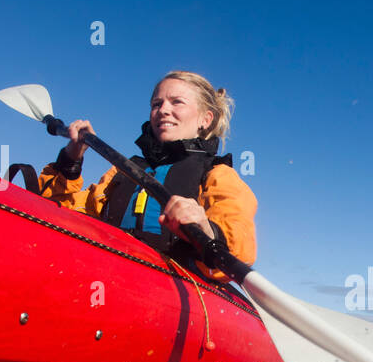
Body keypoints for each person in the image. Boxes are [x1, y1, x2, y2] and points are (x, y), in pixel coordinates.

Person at [38, 71, 255, 281]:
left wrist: (206, 229)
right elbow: (57, 213)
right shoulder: (124, 170)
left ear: (205, 119)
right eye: (156, 104)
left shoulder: (217, 174)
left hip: (172, 296)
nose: (163, 110)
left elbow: (238, 251)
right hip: (106, 277)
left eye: (176, 102)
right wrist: (71, 158)